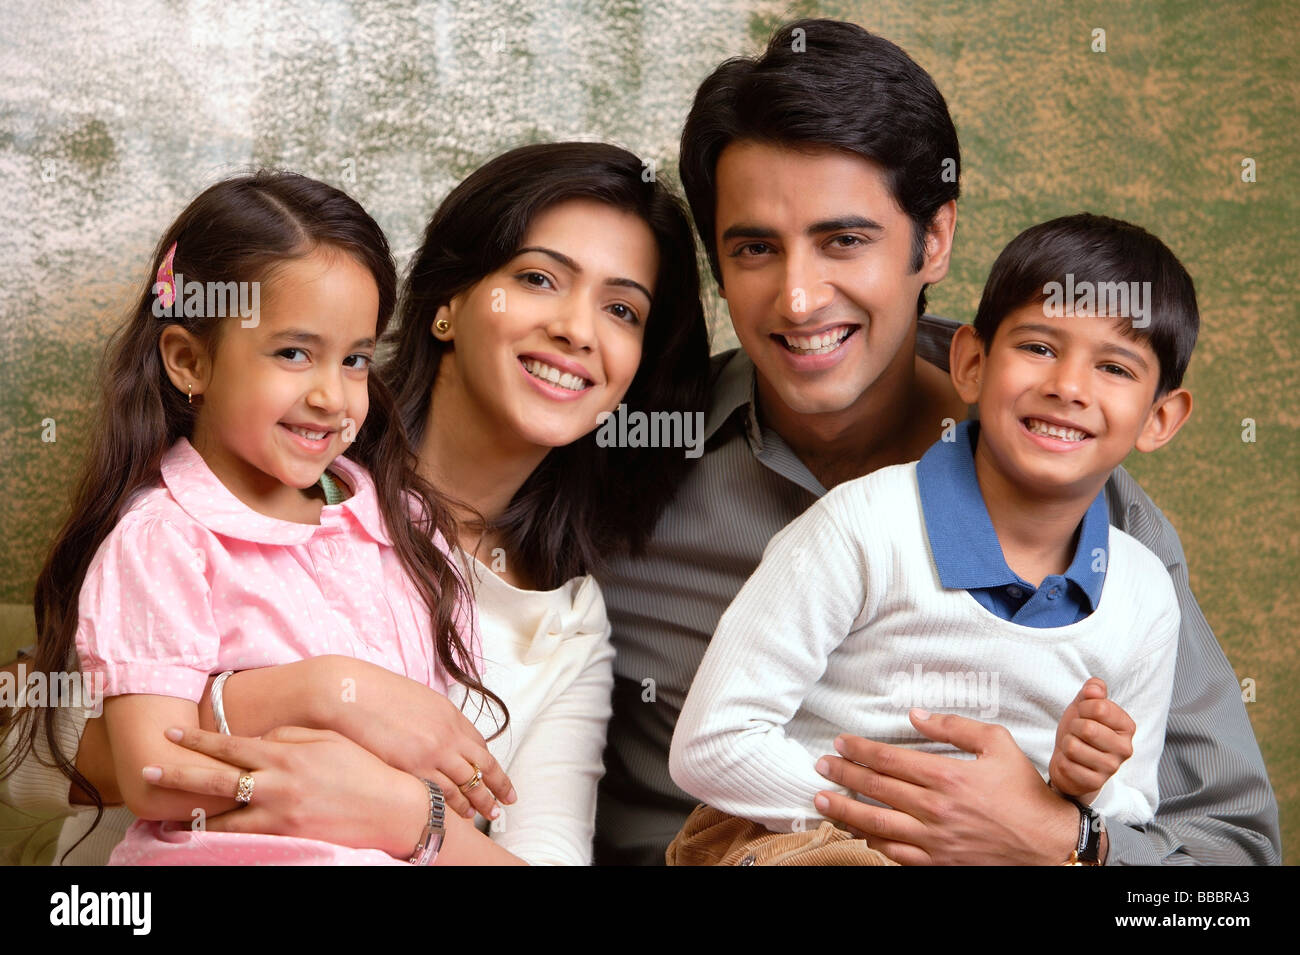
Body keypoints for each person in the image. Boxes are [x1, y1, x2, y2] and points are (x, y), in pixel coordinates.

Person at [595, 18, 1281, 865]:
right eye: (756, 249)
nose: (801, 298)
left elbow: (1227, 878)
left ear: (937, 238)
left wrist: (1060, 839)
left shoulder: (1104, 524)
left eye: (845, 240)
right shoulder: (622, 452)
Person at [1, 144, 710, 866]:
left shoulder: (566, 621)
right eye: (537, 278)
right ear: (447, 303)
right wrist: (322, 693)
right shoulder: (265, 473)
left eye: (622, 309)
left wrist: (407, 814)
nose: (577, 329)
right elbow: (22, 754)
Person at [2, 169, 518, 865]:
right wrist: (316, 709)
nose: (333, 396)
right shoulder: (165, 539)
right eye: (293, 353)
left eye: (356, 359)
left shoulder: (399, 524)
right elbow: (154, 773)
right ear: (189, 360)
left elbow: (438, 766)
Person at [668, 214, 1196, 865]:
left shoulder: (1145, 593)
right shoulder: (861, 527)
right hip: (806, 837)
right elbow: (709, 745)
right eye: (1038, 347)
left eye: (1114, 366)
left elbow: (1132, 805)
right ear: (972, 362)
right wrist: (912, 822)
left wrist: (1080, 786)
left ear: (1160, 417)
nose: (1068, 386)